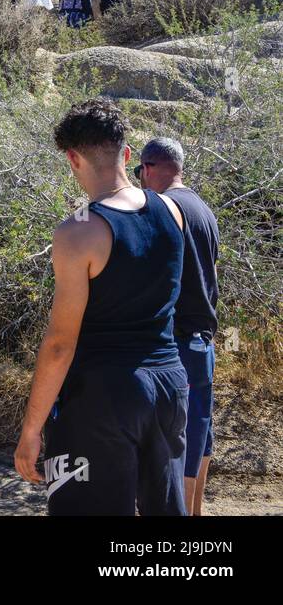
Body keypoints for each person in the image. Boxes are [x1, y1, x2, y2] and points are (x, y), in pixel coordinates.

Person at [15, 98, 189, 515]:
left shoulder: (77, 232)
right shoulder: (172, 209)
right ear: (127, 154)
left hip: (103, 396)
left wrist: (31, 429)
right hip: (170, 383)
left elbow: (60, 345)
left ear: (73, 159)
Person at [139, 137, 221, 516]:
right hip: (203, 342)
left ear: (151, 167)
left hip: (177, 345)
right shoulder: (203, 209)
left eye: (140, 172)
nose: (140, 180)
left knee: (175, 445)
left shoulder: (166, 208)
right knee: (200, 435)